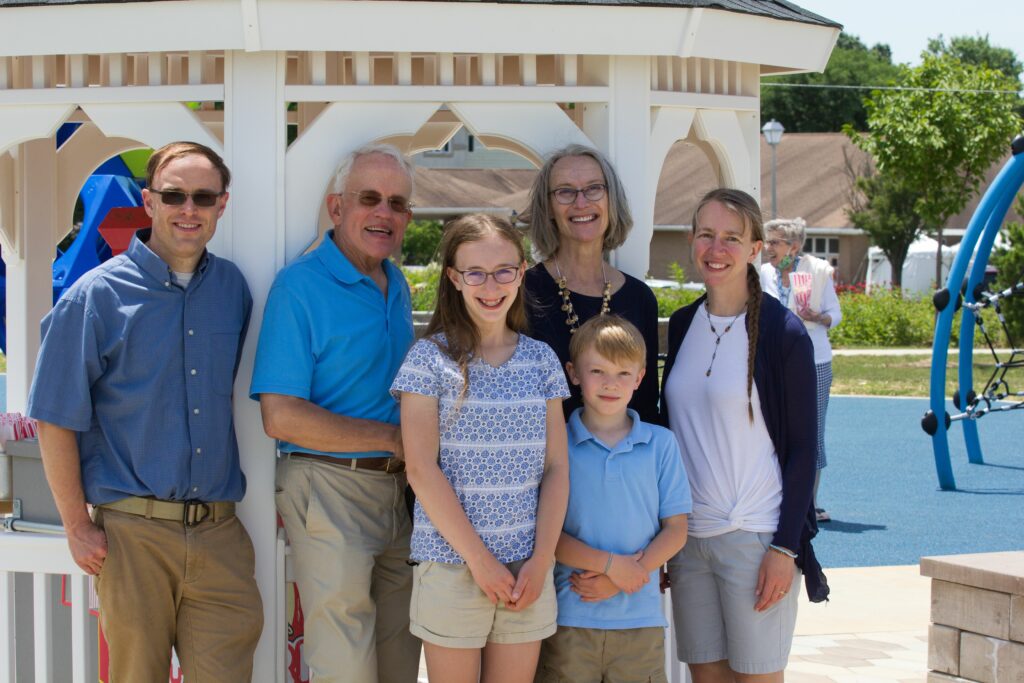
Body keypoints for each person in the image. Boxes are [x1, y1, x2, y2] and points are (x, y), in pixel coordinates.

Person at [27, 141, 262, 681]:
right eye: (174, 194)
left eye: (203, 197)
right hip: (131, 534)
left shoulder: (232, 289)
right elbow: (54, 418)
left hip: (220, 533)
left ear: (222, 205)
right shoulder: (94, 297)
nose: (189, 209)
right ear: (148, 200)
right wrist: (75, 526)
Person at [250, 143, 421, 682]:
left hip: (402, 493)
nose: (384, 213)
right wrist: (396, 440)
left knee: (401, 652)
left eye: (397, 203)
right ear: (336, 206)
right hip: (327, 485)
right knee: (343, 662)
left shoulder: (397, 286)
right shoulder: (298, 286)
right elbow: (280, 416)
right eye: (369, 198)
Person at [390, 214, 570, 683]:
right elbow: (422, 470)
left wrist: (543, 558)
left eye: (503, 270)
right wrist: (480, 561)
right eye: (475, 273)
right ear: (453, 277)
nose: (491, 286)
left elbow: (556, 468)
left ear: (522, 270)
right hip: (453, 563)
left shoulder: (541, 359)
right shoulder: (428, 360)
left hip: (527, 565)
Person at [660, 188, 828, 683]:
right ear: (692, 240)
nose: (717, 249)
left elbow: (803, 453)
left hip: (755, 538)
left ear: (756, 248)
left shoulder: (784, 333)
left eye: (732, 238)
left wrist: (784, 549)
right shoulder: (686, 322)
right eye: (707, 235)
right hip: (690, 541)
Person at [536, 314, 691, 683]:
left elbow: (676, 530)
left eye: (624, 373)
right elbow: (546, 536)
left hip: (641, 621)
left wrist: (626, 576)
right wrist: (610, 566)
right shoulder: (557, 446)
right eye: (598, 372)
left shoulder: (661, 444)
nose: (611, 384)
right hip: (570, 618)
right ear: (573, 373)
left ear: (640, 378)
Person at [522, 144, 660, 423]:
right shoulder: (522, 291)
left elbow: (645, 408)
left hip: (619, 462)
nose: (581, 203)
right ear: (548, 207)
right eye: (565, 192)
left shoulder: (639, 298)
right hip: (542, 463)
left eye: (594, 188)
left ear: (612, 199)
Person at [759, 217, 842, 523]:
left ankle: (811, 502)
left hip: (813, 360)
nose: (768, 248)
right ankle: (775, 497)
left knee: (811, 429)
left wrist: (817, 316)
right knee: (772, 427)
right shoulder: (763, 273)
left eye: (775, 242)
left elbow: (836, 314)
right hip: (772, 359)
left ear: (794, 246)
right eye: (767, 241)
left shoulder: (818, 271)